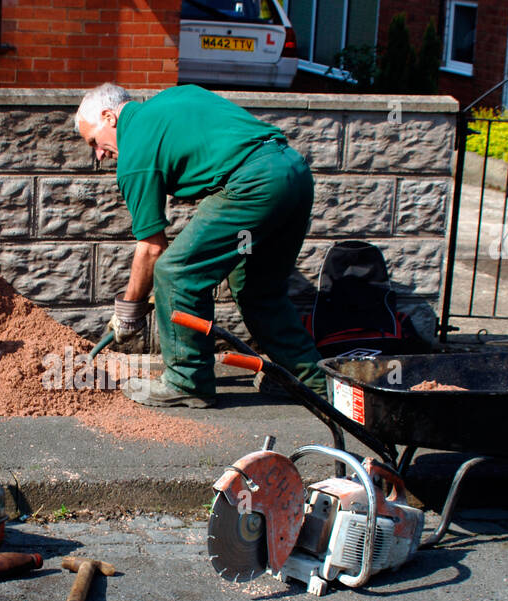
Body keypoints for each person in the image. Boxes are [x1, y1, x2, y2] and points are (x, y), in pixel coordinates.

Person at [73, 82, 327, 408]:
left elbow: (152, 248)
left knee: (176, 272)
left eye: (94, 141)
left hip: (254, 183)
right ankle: (310, 383)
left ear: (109, 117)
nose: (99, 154)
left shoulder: (133, 147)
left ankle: (187, 380)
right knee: (257, 288)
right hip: (293, 173)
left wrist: (128, 313)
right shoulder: (173, 99)